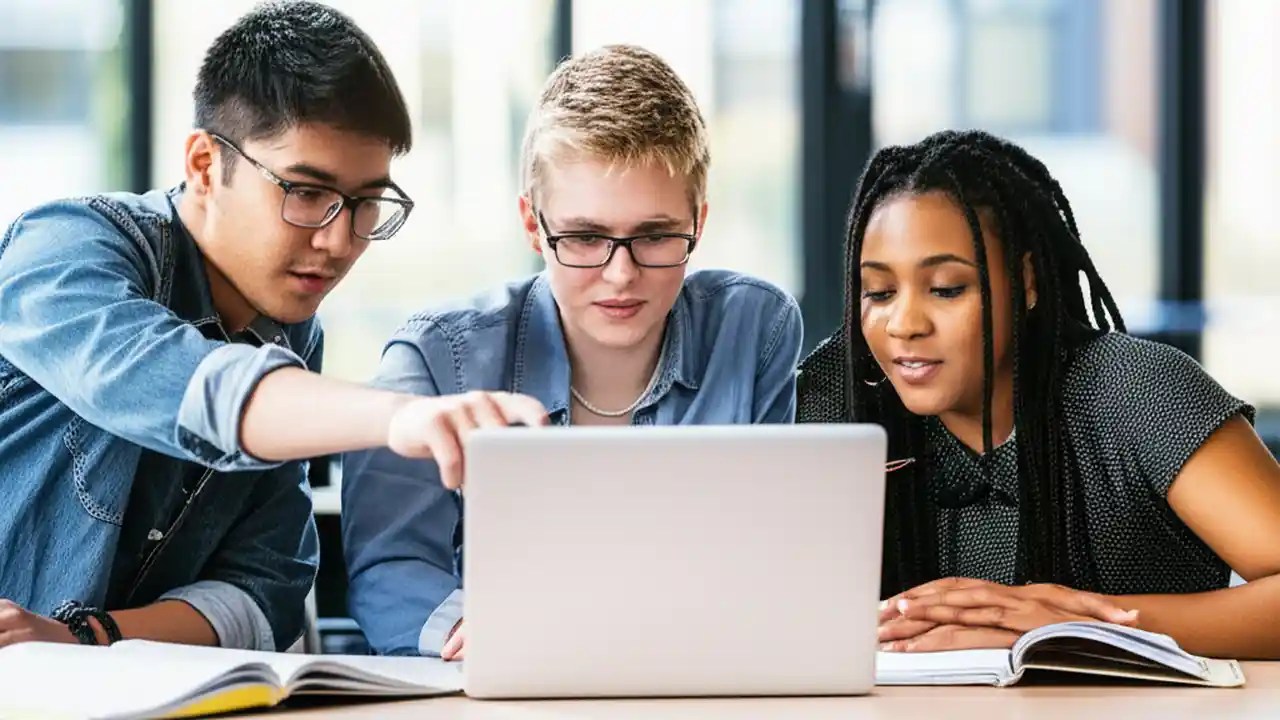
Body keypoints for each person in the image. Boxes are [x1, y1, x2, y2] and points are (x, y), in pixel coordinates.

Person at [0, 1, 545, 652]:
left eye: (366, 202)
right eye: (306, 193)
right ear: (205, 165)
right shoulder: (65, 247)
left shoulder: (286, 333)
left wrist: (84, 637)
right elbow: (177, 383)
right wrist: (398, 416)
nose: (342, 240)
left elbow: (267, 583)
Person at [342, 44, 804, 659]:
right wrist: (481, 633)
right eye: (585, 237)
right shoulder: (435, 357)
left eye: (655, 235)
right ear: (533, 225)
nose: (620, 275)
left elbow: (771, 554)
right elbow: (390, 565)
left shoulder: (755, 329)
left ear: (699, 221)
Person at [796, 129, 1280, 659]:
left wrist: (1082, 624)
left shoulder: (1138, 390)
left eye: (947, 289)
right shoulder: (837, 400)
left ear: (1026, 281)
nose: (903, 324)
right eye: (879, 292)